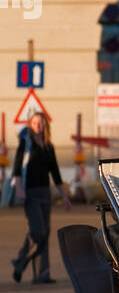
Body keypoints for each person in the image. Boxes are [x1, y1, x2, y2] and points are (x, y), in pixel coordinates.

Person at [10, 113, 72, 283]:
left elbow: (56, 174)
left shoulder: (49, 147)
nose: (38, 125)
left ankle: (42, 274)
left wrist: (64, 196)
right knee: (38, 231)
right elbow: (16, 169)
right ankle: (20, 261)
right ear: (30, 125)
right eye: (35, 123)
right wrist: (20, 190)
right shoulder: (26, 144)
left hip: (46, 193)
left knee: (45, 234)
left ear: (45, 125)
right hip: (30, 194)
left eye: (41, 123)